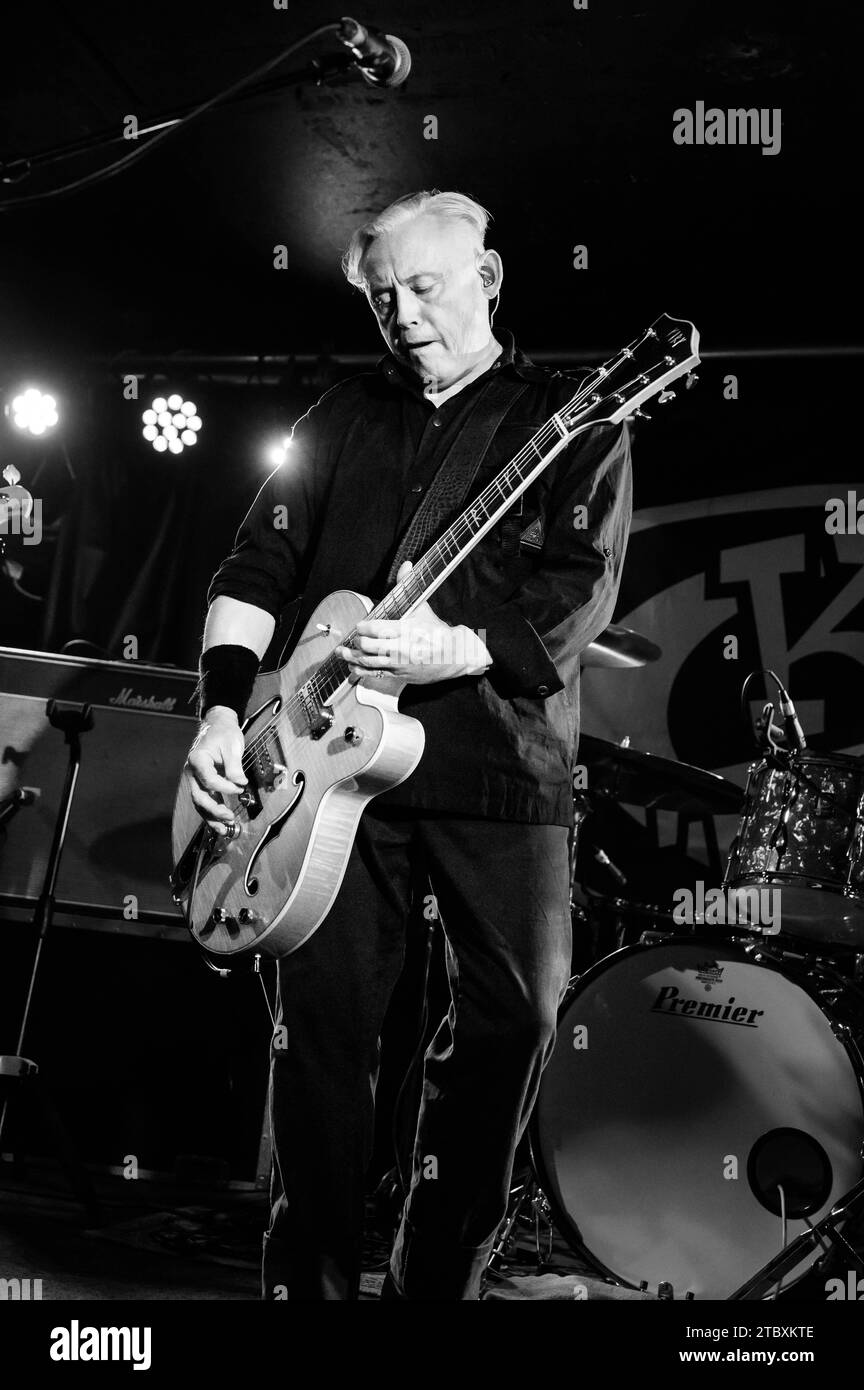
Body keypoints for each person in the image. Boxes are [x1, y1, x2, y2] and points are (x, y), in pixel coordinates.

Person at [184, 189, 632, 1300]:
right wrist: (218, 710)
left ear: (485, 278)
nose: (405, 315)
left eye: (425, 287)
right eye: (384, 298)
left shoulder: (572, 419)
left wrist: (464, 648)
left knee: (517, 1017)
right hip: (328, 778)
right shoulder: (338, 417)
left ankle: (436, 1279)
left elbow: (583, 590)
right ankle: (311, 1286)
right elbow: (253, 573)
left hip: (498, 767)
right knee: (324, 1038)